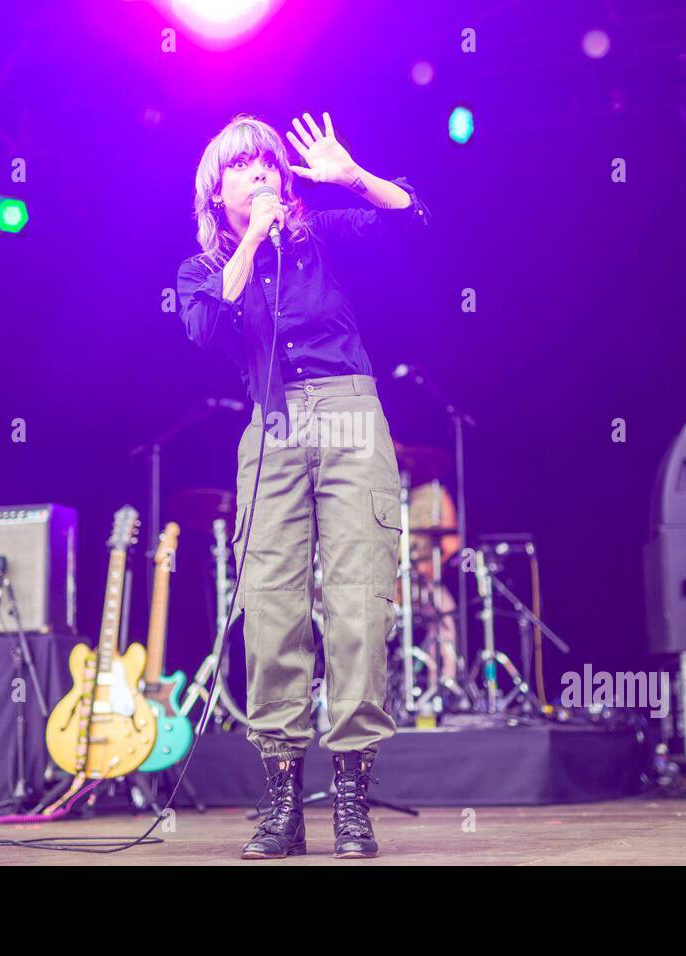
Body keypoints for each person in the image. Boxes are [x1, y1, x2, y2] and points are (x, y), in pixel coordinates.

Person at [175, 111, 430, 859]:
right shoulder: (203, 267)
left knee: (358, 606)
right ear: (216, 190)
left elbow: (410, 218)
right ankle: (282, 803)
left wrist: (354, 177)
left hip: (350, 411)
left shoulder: (323, 236)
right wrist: (252, 241)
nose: (260, 171)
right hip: (273, 424)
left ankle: (352, 796)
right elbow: (204, 326)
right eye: (241, 164)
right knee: (271, 611)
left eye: (268, 162)